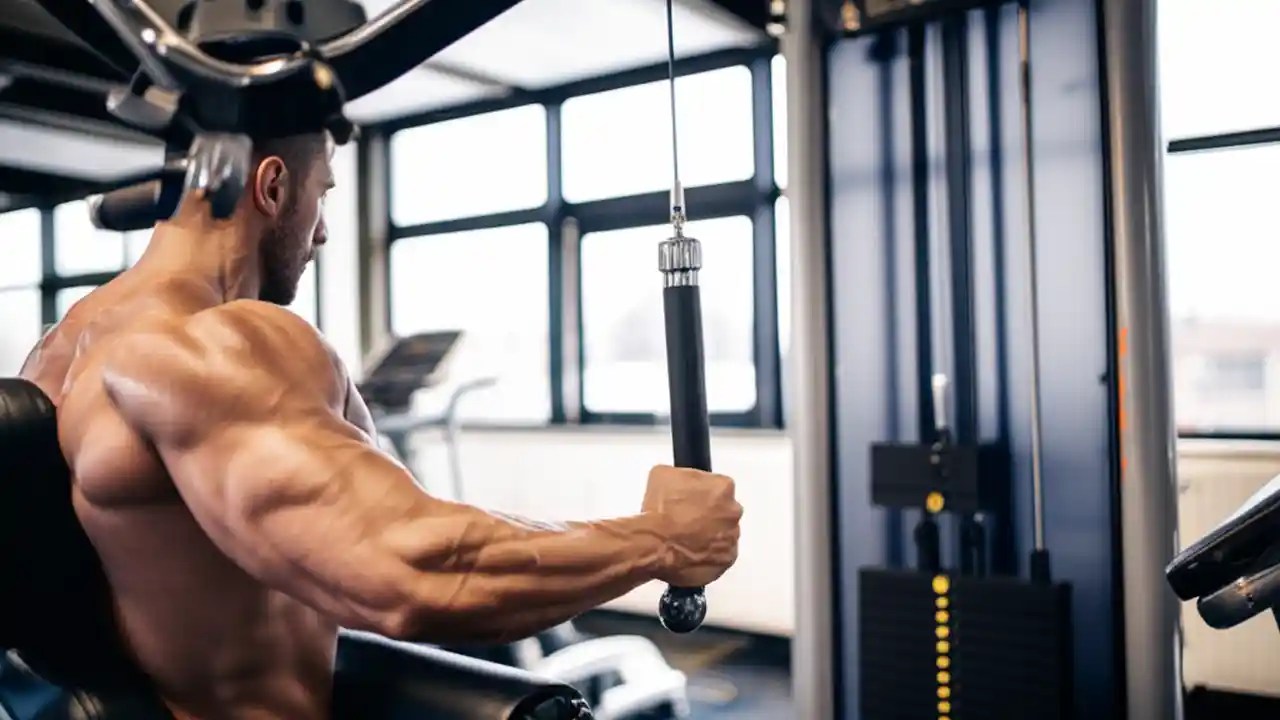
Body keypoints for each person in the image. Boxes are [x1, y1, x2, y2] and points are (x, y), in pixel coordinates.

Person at [18, 130, 743, 720]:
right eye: (322, 192)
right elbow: (410, 570)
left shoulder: (59, 348)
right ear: (273, 186)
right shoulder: (211, 345)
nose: (324, 229)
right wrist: (662, 540)